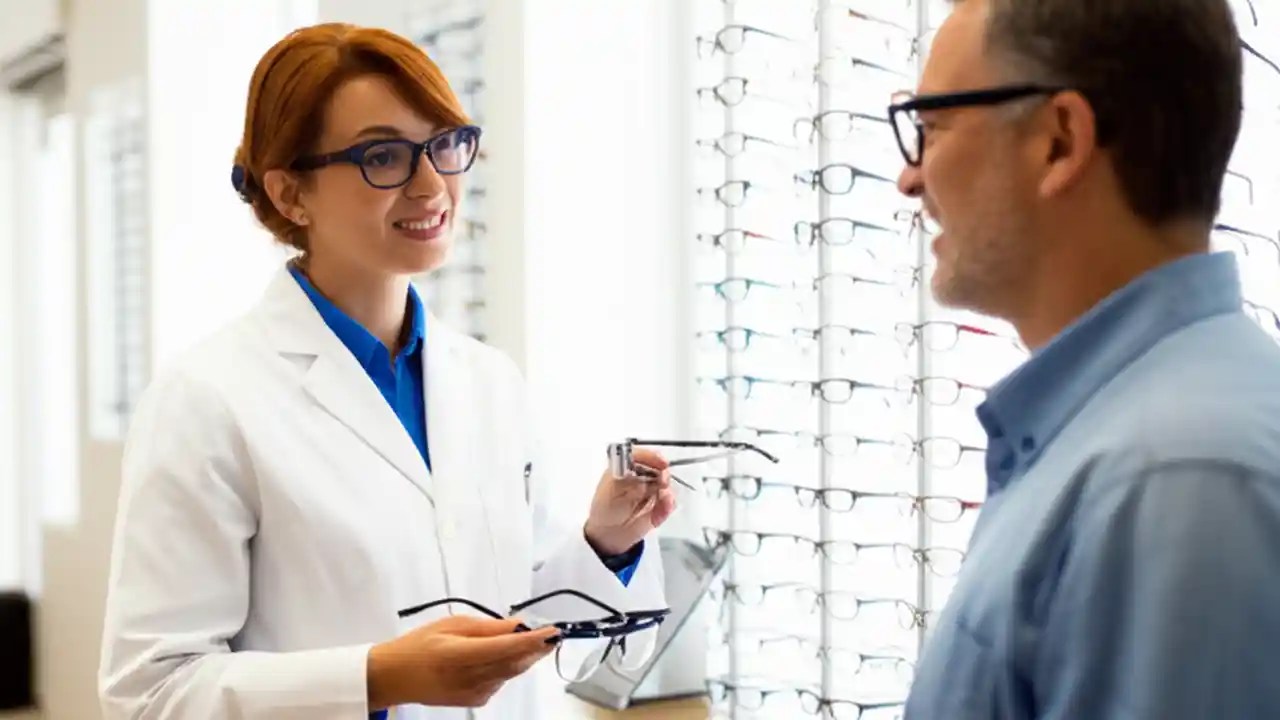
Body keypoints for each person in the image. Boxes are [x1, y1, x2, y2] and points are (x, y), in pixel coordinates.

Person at [97, 23, 676, 720]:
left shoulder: (490, 382)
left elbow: (516, 611)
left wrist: (605, 542)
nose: (432, 184)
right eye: (383, 155)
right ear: (290, 194)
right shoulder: (206, 399)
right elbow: (151, 691)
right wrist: (375, 677)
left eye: (445, 145)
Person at [889, 0, 1280, 718]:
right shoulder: (1119, 446)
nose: (910, 181)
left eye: (932, 127)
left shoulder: (1173, 481)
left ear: (1059, 141)